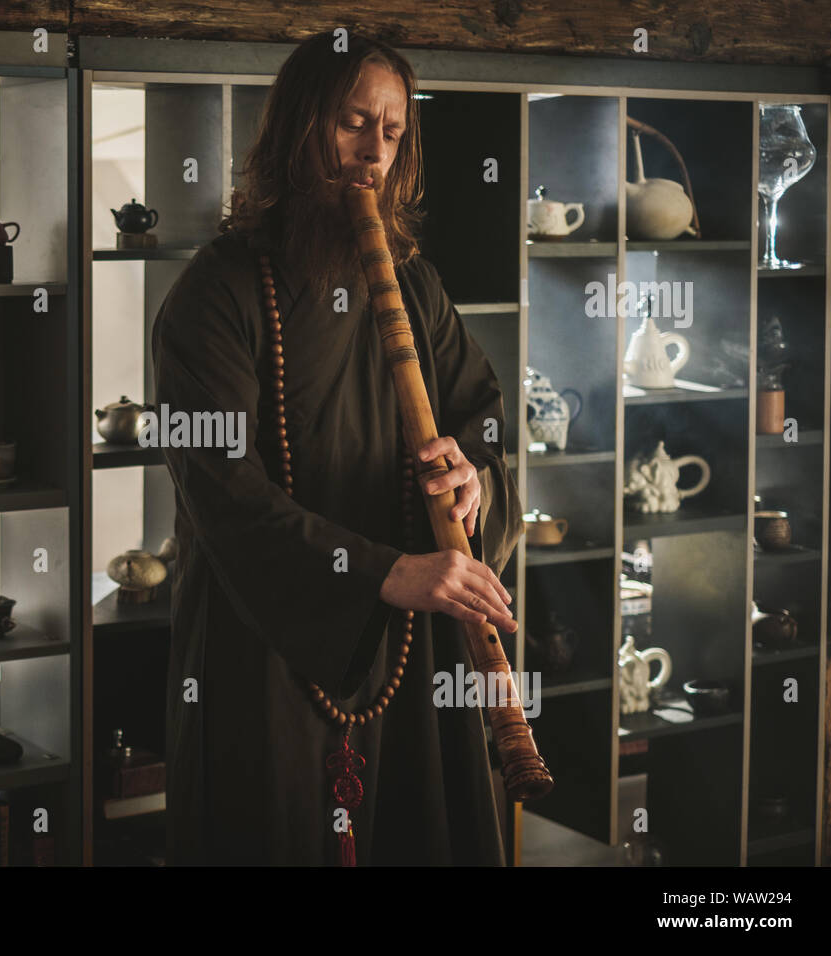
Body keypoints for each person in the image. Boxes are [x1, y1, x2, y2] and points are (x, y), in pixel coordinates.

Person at [151, 32, 526, 865]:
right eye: (355, 123)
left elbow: (488, 420)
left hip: (410, 644)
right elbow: (223, 495)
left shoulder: (415, 285)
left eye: (392, 133)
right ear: (298, 130)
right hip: (267, 656)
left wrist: (474, 480)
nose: (373, 153)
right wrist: (388, 574)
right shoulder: (215, 293)